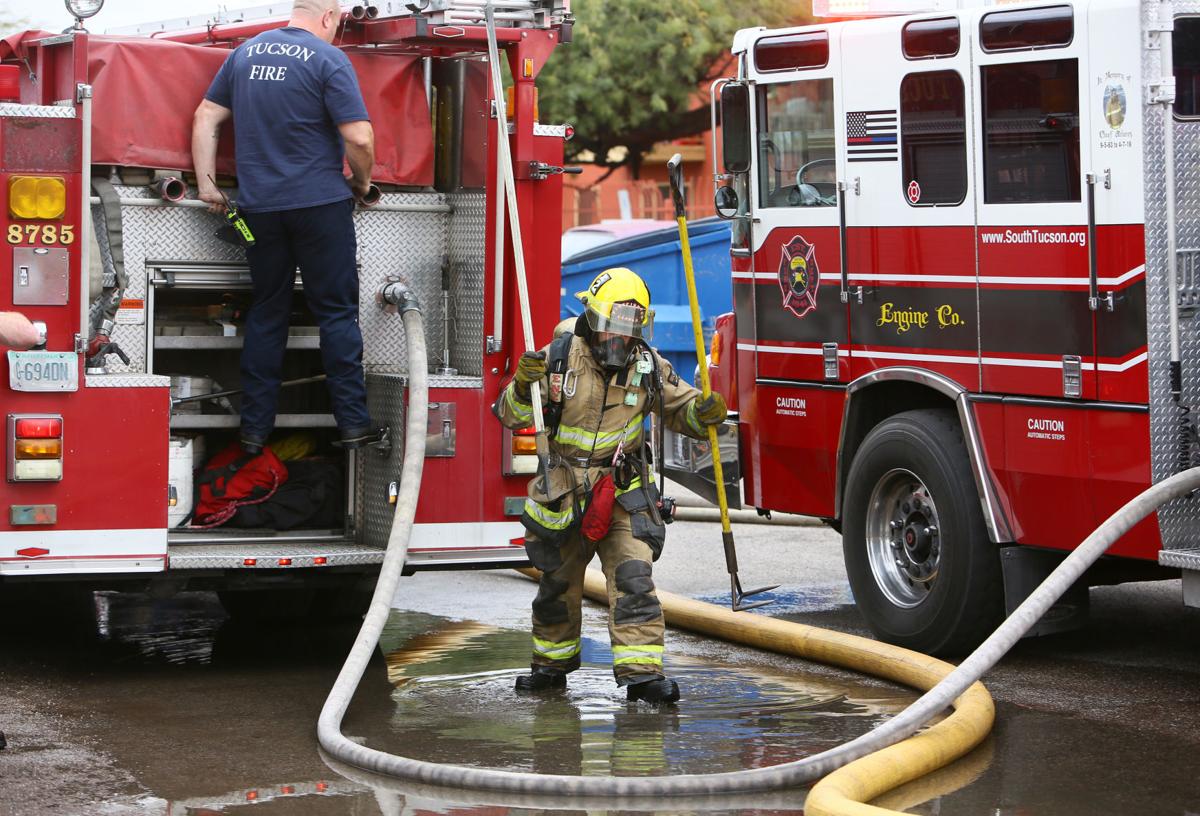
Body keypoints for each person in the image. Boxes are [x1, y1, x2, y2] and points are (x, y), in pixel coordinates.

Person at [493, 267, 728, 705]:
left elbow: (683, 410)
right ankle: (550, 667)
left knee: (634, 578)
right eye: (612, 331)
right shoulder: (559, 357)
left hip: (622, 490)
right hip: (564, 490)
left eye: (630, 333)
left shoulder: (647, 364)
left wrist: (705, 412)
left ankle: (642, 676)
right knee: (557, 585)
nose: (620, 342)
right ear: (593, 322)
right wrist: (523, 386)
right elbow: (510, 415)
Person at [191, 0, 382, 455]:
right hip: (320, 207)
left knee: (268, 311)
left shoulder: (244, 54)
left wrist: (207, 185)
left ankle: (255, 430)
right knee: (335, 313)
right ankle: (353, 424)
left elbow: (206, 117)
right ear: (329, 17)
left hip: (260, 212)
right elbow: (359, 136)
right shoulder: (329, 58)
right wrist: (362, 181)